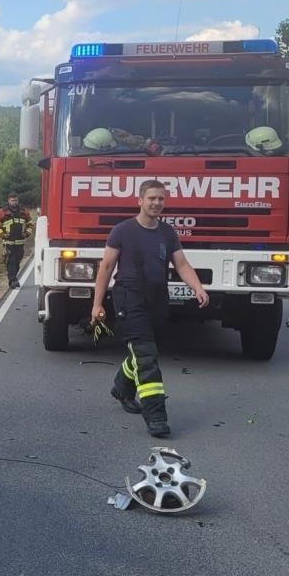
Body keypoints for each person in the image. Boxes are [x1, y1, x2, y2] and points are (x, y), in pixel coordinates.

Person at [90, 180, 209, 437]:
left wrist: (198, 287)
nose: (157, 203)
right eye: (152, 198)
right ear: (140, 201)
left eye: (161, 199)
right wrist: (97, 304)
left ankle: (122, 386)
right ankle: (155, 416)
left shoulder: (167, 233)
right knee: (146, 356)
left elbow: (182, 265)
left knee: (143, 351)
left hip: (157, 299)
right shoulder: (122, 231)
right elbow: (106, 267)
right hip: (128, 297)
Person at [0, 192, 33, 289]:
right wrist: (2, 235)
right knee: (11, 260)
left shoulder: (24, 211)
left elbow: (30, 224)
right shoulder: (2, 212)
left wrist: (27, 233)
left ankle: (13, 278)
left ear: (18, 200)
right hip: (8, 242)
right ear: (8, 201)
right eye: (12, 200)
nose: (14, 202)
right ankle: (13, 280)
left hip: (20, 242)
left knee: (18, 261)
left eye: (16, 200)